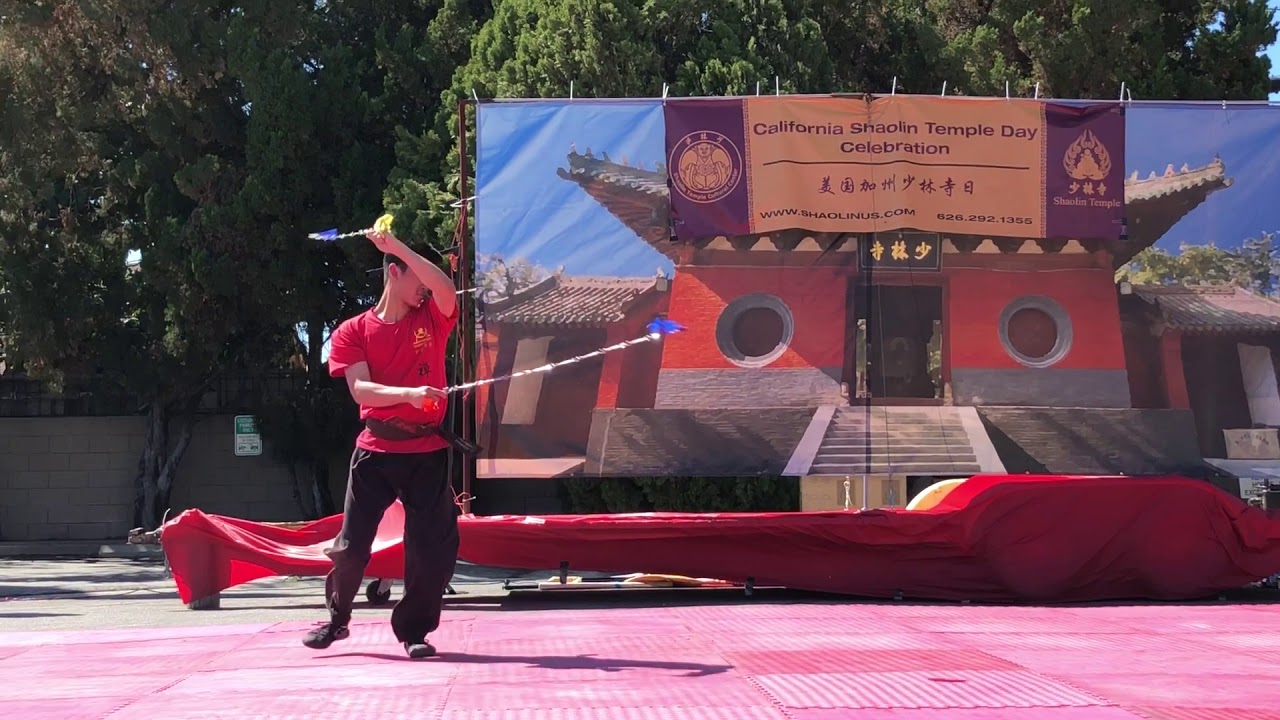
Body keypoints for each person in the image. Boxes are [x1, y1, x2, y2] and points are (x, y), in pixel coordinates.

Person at [302, 223, 460, 659]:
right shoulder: (353, 330)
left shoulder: (432, 318)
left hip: (427, 452)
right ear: (393, 273)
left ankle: (414, 631)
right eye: (412, 273)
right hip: (375, 450)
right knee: (353, 546)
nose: (424, 288)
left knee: (431, 549)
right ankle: (338, 620)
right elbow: (362, 392)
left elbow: (445, 288)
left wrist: (400, 247)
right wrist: (409, 395)